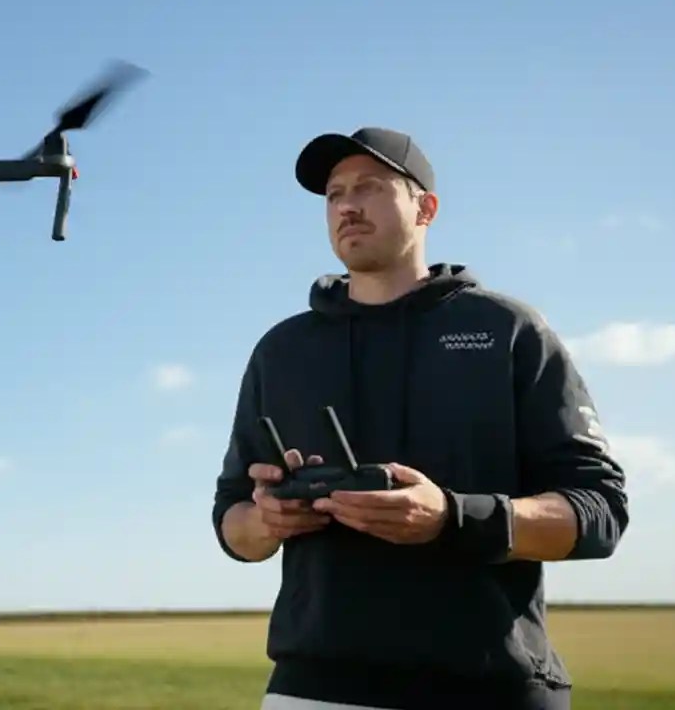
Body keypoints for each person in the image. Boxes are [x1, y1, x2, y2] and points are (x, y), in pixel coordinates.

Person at [211, 127, 630, 710]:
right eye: (334, 195)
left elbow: (600, 511)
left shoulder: (509, 330)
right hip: (315, 690)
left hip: (490, 688)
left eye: (370, 188)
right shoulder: (282, 351)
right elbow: (232, 524)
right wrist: (268, 520)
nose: (348, 207)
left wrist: (452, 518)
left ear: (425, 207)